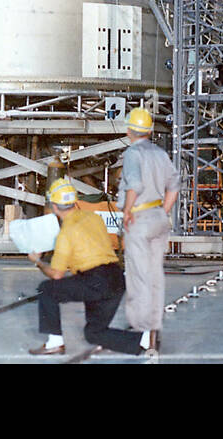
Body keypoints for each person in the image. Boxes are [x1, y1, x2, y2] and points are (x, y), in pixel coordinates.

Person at [27, 178, 153, 358]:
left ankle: (55, 342)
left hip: (95, 280)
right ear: (75, 201)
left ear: (54, 207)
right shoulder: (94, 218)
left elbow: (56, 275)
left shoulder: (66, 232)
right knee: (93, 333)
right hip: (116, 278)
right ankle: (145, 340)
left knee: (47, 290)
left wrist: (37, 261)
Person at [119, 106, 178, 352]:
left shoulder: (133, 154)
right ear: (150, 130)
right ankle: (153, 334)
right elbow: (174, 185)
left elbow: (134, 185)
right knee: (155, 278)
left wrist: (127, 212)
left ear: (129, 130)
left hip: (140, 219)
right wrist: (163, 211)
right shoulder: (160, 154)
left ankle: (142, 335)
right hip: (158, 218)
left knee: (138, 277)